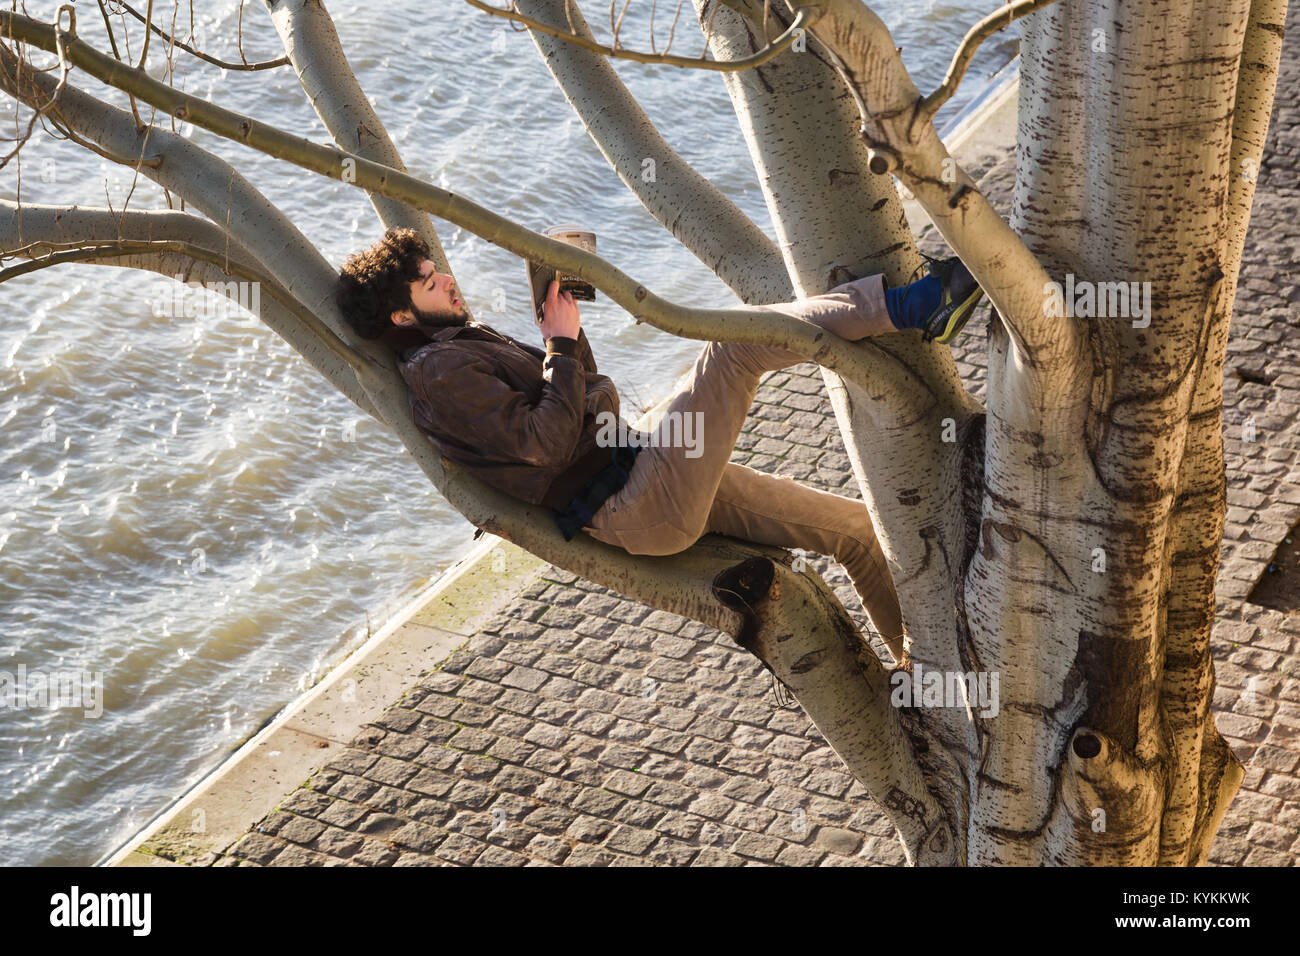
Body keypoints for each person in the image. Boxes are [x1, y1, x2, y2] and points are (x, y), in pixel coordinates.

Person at [335, 228, 983, 665]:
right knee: (732, 350)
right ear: (401, 317)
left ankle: (920, 676)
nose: (447, 280)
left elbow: (586, 400)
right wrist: (559, 346)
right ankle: (916, 305)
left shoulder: (457, 344)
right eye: (428, 284)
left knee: (856, 533)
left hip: (642, 464)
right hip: (637, 503)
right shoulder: (438, 374)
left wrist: (564, 331)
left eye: (437, 270)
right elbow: (543, 443)